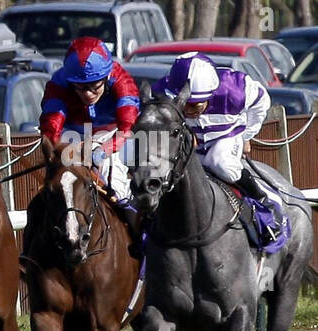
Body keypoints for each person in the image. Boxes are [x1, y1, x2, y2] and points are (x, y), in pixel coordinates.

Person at [153, 52, 278, 245]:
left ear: (211, 95)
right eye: (184, 104)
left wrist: (247, 135)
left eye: (195, 106)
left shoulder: (235, 88)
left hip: (225, 136)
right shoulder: (163, 91)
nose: (188, 111)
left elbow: (262, 102)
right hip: (189, 142)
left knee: (220, 163)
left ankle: (262, 201)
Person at [39, 36, 142, 241]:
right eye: (79, 87)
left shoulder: (122, 81)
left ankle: (139, 242)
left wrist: (103, 150)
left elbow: (127, 127)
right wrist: (59, 154)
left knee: (117, 184)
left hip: (112, 134)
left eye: (94, 86)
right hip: (73, 134)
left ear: (106, 77)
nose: (87, 93)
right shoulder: (58, 83)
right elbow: (51, 129)